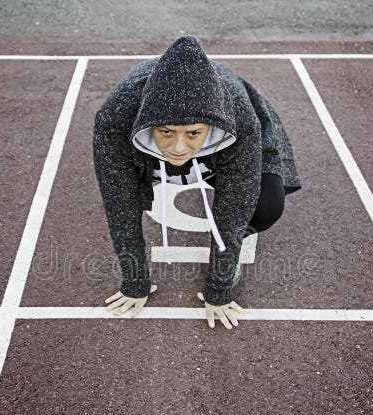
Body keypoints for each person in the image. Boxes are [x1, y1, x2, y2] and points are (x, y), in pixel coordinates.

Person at [93, 36, 301, 329]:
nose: (178, 147)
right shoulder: (115, 117)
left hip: (226, 142)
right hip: (143, 149)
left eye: (193, 133)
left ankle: (234, 248)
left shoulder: (240, 118)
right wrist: (134, 280)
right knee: (125, 196)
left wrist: (219, 287)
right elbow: (120, 205)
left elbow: (234, 208)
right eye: (166, 132)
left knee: (266, 206)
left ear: (211, 127)